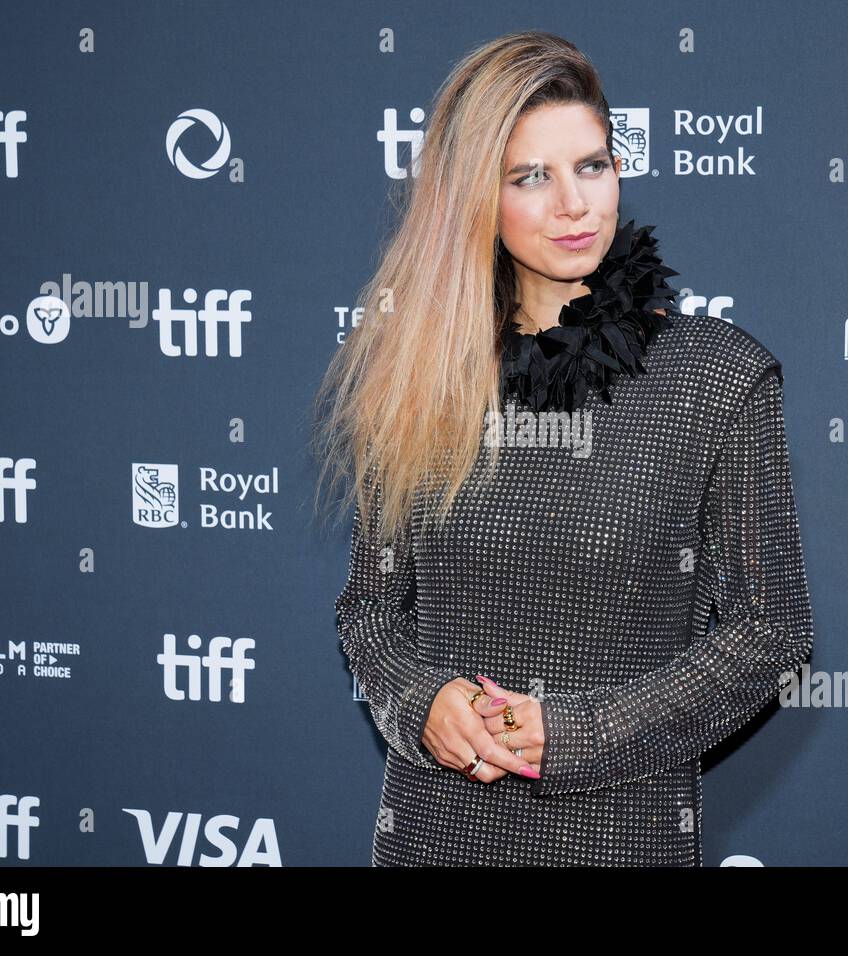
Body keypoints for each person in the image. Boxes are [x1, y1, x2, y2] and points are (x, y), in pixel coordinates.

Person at [311, 31, 815, 866]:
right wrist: (419, 697)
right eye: (530, 177)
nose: (574, 204)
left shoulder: (717, 378)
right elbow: (368, 609)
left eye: (592, 164)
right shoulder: (418, 376)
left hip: (620, 836)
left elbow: (772, 631)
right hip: (436, 832)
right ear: (475, 198)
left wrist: (575, 733)